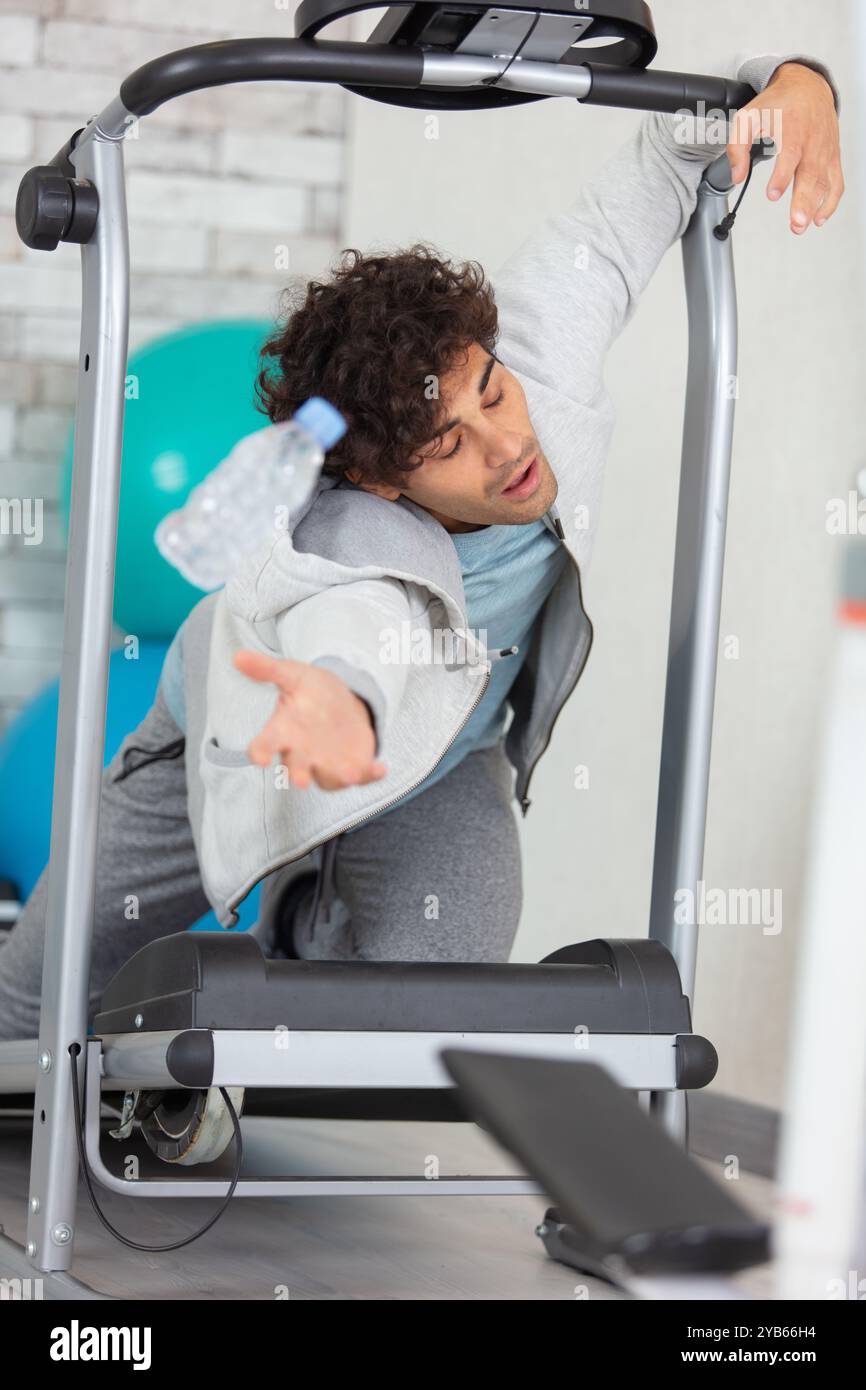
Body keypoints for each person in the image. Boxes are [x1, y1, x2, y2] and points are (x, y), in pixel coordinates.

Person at [0, 51, 843, 1041]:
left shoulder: (536, 353)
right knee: (32, 999)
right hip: (237, 739)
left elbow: (656, 163)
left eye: (491, 391)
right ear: (377, 476)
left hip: (437, 754)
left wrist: (792, 83)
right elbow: (352, 627)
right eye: (449, 445)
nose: (507, 447)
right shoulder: (343, 538)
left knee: (433, 981)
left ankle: (299, 924)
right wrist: (343, 702)